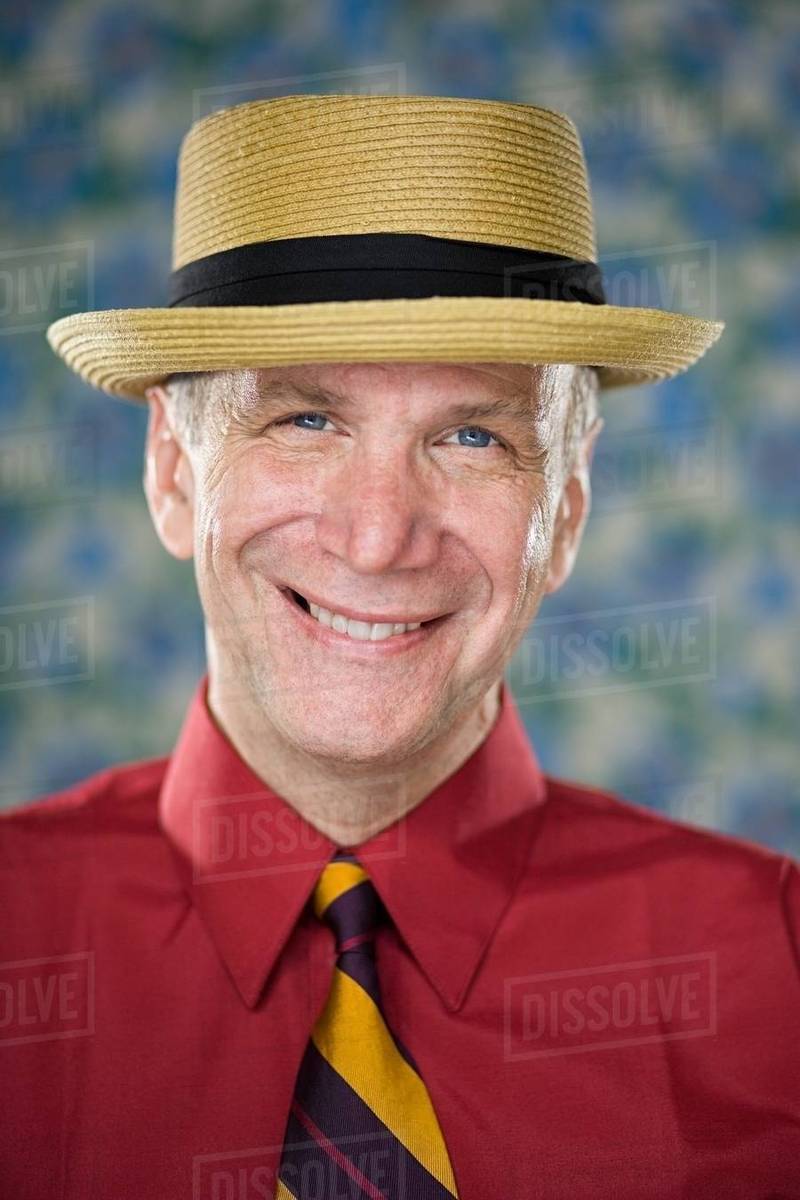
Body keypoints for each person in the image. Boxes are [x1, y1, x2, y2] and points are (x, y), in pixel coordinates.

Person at [2, 94, 797, 1198]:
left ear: (564, 506)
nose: (377, 537)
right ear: (174, 470)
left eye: (472, 437)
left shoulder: (772, 970)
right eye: (303, 421)